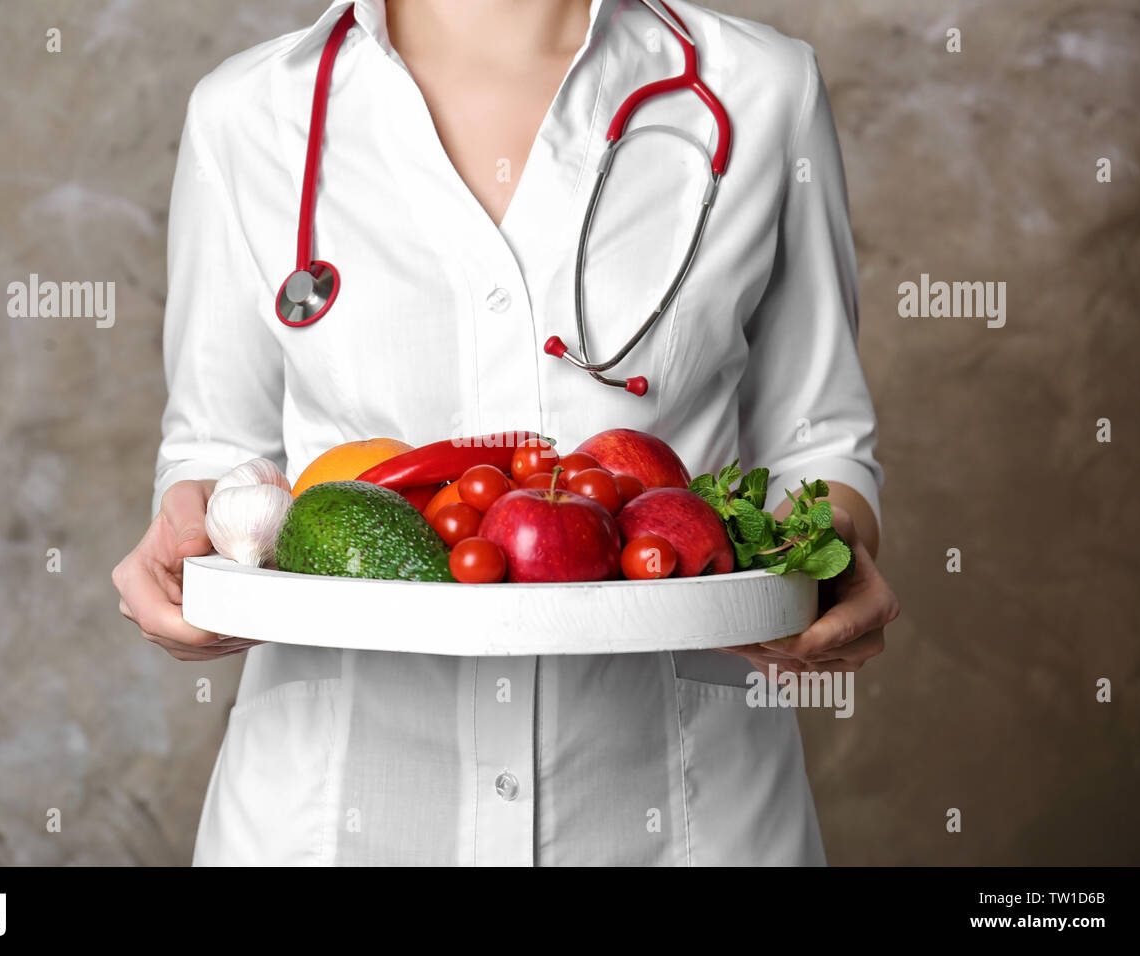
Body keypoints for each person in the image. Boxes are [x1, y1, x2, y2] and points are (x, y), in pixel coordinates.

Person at [112, 0, 900, 865]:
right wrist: (188, 535)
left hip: (680, 815)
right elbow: (218, 453)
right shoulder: (247, 112)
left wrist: (828, 550)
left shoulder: (763, 88)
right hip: (331, 817)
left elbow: (817, 437)